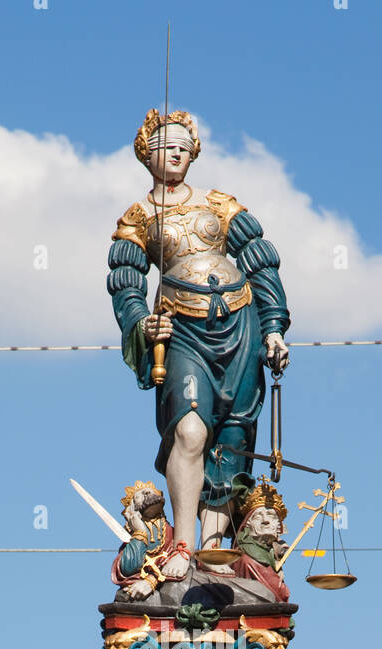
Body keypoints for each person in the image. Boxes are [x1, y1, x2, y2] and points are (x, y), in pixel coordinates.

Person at [107, 108, 290, 581]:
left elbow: (259, 261)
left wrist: (272, 326)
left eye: (185, 148)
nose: (176, 154)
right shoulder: (137, 219)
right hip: (183, 332)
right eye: (167, 145)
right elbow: (126, 284)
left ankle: (214, 554)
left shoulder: (220, 203)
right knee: (190, 431)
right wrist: (142, 324)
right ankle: (183, 545)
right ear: (146, 152)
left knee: (232, 439)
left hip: (240, 325)